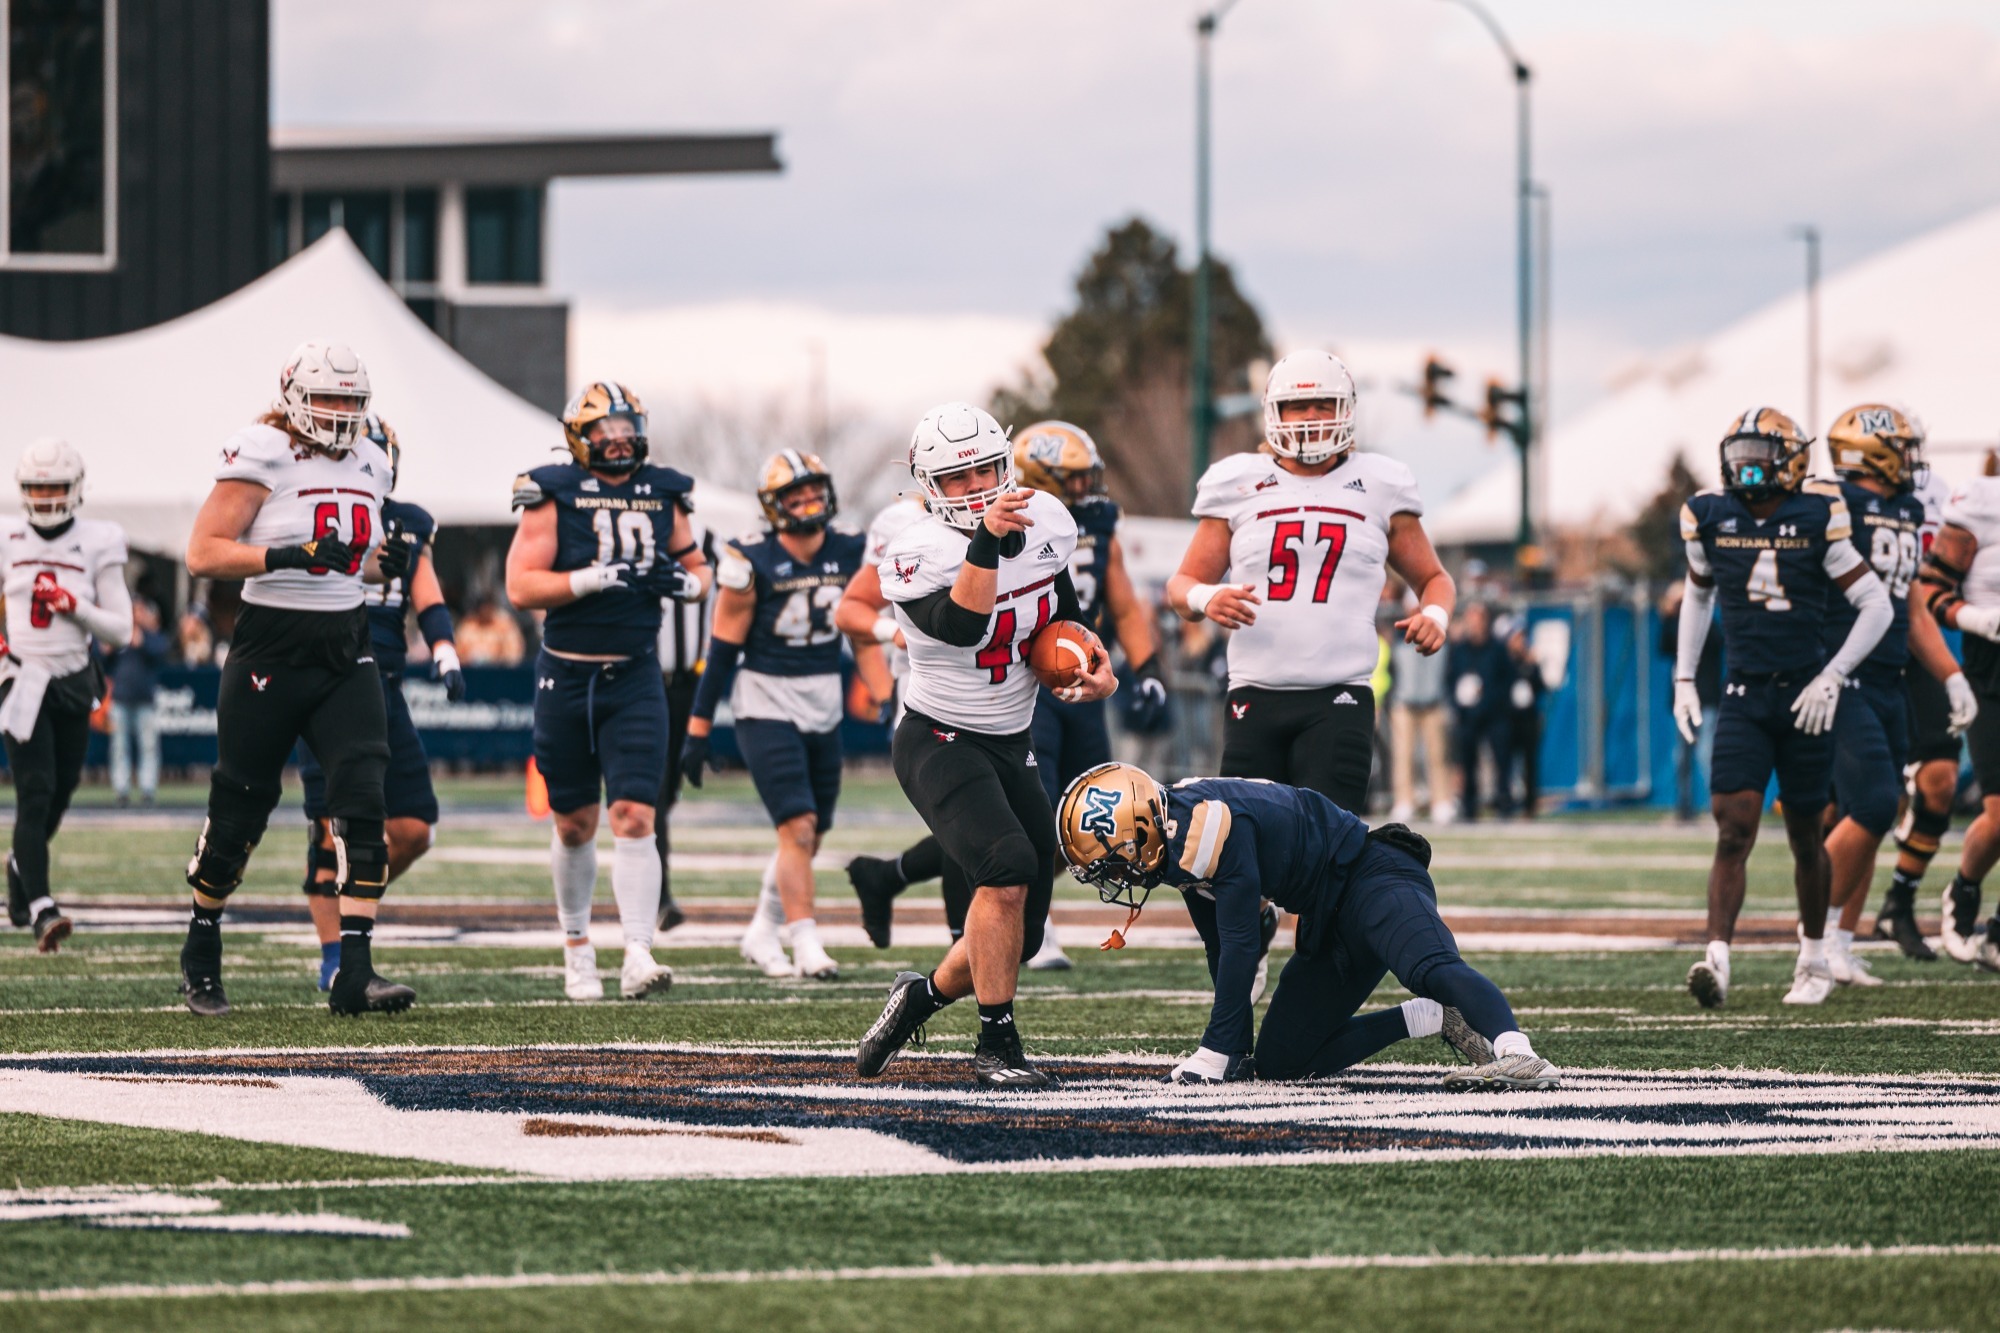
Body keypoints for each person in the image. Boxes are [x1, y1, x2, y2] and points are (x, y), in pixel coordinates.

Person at [851, 403, 1116, 1089]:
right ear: (927, 485)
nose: (975, 488)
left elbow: (1060, 612)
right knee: (1005, 867)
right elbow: (962, 625)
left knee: (1020, 935)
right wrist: (985, 543)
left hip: (1012, 735)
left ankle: (920, 997)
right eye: (957, 477)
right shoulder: (914, 547)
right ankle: (997, 1045)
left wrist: (1090, 659)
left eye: (986, 471)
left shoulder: (1049, 519)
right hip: (939, 736)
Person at [1053, 762, 1559, 1088]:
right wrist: (1230, 1050)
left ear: (1141, 827)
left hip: (1371, 875)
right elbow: (1221, 946)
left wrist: (1212, 1053)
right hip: (1326, 917)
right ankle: (1428, 1018)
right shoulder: (1173, 834)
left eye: (1113, 860)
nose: (1113, 875)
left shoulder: (1202, 827)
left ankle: (1519, 1054)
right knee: (1282, 1063)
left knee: (1430, 965)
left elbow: (1238, 942)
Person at [178, 341, 417, 1017]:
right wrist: (289, 552)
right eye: (328, 399)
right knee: (240, 811)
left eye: (350, 401)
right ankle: (202, 943)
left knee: (363, 800)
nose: (340, 414)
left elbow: (351, 562)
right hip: (270, 647)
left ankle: (356, 970)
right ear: (293, 398)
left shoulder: (372, 459)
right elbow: (203, 553)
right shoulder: (262, 450)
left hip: (346, 644)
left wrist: (381, 563)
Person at [1166, 349, 1454, 814]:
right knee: (1242, 847)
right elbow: (1181, 585)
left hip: (1339, 696)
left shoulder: (1381, 483)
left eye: (1324, 404)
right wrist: (1207, 596)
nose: (1311, 417)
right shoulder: (1237, 482)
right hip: (1254, 695)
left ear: (1346, 412)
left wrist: (1436, 615)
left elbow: (1435, 579)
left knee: (1323, 850)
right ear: (1273, 413)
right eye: (1298, 406)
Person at [1675, 408, 1891, 1009]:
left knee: (1804, 832)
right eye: (1739, 448)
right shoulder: (1710, 515)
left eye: (1761, 450)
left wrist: (1832, 676)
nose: (1747, 462)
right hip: (1745, 691)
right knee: (1732, 824)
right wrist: (1684, 678)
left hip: (1805, 695)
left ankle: (1814, 958)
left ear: (1793, 461)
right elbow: (1698, 597)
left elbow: (1876, 604)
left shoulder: (1816, 514)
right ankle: (1717, 956)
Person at [504, 380, 708, 1003]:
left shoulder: (664, 492)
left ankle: (638, 951)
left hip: (635, 674)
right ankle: (576, 949)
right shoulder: (552, 491)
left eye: (626, 429)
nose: (618, 441)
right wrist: (593, 578)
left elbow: (699, 572)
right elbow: (521, 585)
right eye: (604, 432)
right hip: (566, 675)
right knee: (574, 824)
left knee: (636, 814)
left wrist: (686, 586)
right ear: (578, 439)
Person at [680, 450, 871, 980]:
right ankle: (805, 941)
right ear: (774, 505)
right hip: (765, 701)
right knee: (798, 824)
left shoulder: (853, 547)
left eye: (814, 490)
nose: (809, 502)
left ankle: (762, 930)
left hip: (824, 700)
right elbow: (721, 649)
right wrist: (697, 728)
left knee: (814, 830)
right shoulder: (750, 558)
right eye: (796, 495)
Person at [295, 415, 466, 991]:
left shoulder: (408, 523)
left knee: (414, 827)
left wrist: (445, 651)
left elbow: (429, 593)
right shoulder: (304, 505)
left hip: (385, 684)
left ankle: (352, 904)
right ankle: (334, 953)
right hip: (324, 682)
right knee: (329, 828)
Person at [1814, 406, 1976, 987]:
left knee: (1876, 812)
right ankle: (1813, 943)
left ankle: (1838, 942)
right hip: (1841, 669)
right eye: (1902, 449)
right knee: (1868, 805)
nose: (1913, 460)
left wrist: (1950, 674)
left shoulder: (1907, 509)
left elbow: (1909, 605)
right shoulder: (1828, 504)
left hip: (1888, 671)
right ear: (1873, 453)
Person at [1010, 422, 1164, 969]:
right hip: (1028, 687)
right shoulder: (1009, 522)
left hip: (1084, 688)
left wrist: (1147, 669)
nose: (1085, 491)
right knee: (1040, 813)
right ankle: (1034, 922)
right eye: (1072, 481)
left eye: (1085, 479)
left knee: (1086, 819)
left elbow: (1122, 605)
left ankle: (1029, 907)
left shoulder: (1098, 527)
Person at [2, 439, 131, 952]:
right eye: (37, 487)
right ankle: (41, 907)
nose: (47, 497)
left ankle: (19, 868)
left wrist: (75, 606)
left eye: (55, 486)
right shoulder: (8, 536)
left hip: (75, 679)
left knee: (61, 791)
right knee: (34, 793)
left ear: (75, 489)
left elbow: (121, 630)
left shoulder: (100, 539)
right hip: (21, 679)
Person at [836, 496, 955, 949]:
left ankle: (884, 876)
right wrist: (892, 642)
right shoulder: (903, 522)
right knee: (968, 823)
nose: (974, 485)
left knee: (999, 828)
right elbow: (852, 611)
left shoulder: (1015, 516)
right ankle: (972, 953)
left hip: (999, 692)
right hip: (930, 693)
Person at [1878, 433, 1965, 958]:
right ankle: (1820, 935)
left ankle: (1898, 903)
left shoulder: (1945, 494)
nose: (1908, 459)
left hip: (1917, 643)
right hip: (1848, 653)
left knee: (1941, 782)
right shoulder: (1831, 500)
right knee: (1841, 803)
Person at [1913, 449, 2000, 971]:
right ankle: (1964, 891)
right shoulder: (1983, 501)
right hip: (1993, 667)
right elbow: (1929, 589)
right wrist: (1977, 619)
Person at [652, 527, 716, 936]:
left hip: (689, 683)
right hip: (643, 682)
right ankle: (659, 895)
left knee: (668, 791)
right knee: (651, 793)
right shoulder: (634, 537)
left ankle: (652, 879)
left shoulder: (711, 542)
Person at [1388, 589, 1453, 824]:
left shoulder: (1437, 632)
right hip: (1404, 702)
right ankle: (1404, 801)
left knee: (1437, 755)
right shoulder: (1397, 637)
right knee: (1403, 756)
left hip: (1433, 701)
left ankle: (1441, 801)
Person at [1658, 581, 1720, 823]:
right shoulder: (1675, 626)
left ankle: (1715, 809)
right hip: (1683, 701)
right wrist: (1670, 612)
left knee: (1706, 755)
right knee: (1681, 759)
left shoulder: (1708, 623)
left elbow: (1714, 640)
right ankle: (1684, 809)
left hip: (1706, 699)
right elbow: (1664, 646)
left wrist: (1693, 607)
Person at [1446, 603, 1515, 820]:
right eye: (1471, 619)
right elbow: (1450, 679)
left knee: (1501, 758)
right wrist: (1459, 702)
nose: (1475, 624)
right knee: (1467, 760)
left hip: (1495, 714)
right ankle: (1469, 805)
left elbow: (1508, 679)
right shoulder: (1460, 649)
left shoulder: (1497, 648)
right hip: (1468, 715)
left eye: (1479, 619)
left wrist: (1489, 697)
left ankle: (1503, 802)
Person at [108, 597, 170, 807]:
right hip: (121, 698)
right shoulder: (120, 636)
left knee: (149, 746)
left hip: (145, 699)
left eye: (139, 611)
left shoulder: (151, 636)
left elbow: (162, 650)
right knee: (119, 746)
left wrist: (143, 640)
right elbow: (103, 659)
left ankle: (147, 789)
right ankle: (121, 789)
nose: (136, 615)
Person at [1506, 623, 1547, 818]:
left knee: (1530, 764)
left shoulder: (1530, 662)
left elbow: (1541, 686)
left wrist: (1533, 665)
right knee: (1506, 763)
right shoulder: (1505, 661)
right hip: (1509, 718)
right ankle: (1506, 804)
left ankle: (1529, 806)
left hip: (1528, 718)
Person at [455, 597, 525, 666]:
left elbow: (514, 654)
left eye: (488, 607)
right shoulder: (467, 625)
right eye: (483, 607)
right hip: (471, 672)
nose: (485, 610)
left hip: (499, 672)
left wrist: (498, 660)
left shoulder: (505, 624)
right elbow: (457, 653)